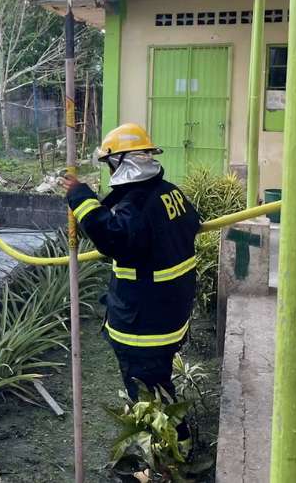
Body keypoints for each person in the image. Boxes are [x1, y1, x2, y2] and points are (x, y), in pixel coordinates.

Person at [61, 123, 199, 424]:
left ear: (122, 162)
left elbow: (115, 239)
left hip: (144, 327)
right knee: (159, 385)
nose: (111, 173)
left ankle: (170, 453)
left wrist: (80, 198)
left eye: (111, 165)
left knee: (150, 397)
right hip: (169, 314)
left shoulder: (138, 205)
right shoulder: (169, 193)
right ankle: (170, 447)